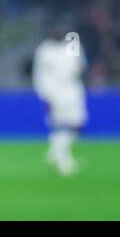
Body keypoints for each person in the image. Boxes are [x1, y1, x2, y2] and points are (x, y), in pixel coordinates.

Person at [32, 28, 87, 176]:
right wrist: (45, 95)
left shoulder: (73, 44)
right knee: (59, 124)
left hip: (73, 89)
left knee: (78, 123)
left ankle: (55, 152)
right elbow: (40, 75)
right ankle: (64, 161)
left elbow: (80, 66)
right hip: (55, 91)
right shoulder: (44, 50)